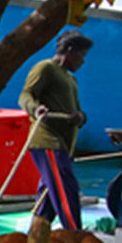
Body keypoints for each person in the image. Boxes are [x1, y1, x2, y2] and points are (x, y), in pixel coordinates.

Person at [19, 30, 92, 232]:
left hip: (64, 144)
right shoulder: (46, 68)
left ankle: (36, 234)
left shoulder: (71, 79)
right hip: (48, 141)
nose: (83, 61)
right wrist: (36, 109)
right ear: (69, 51)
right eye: (82, 55)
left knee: (49, 196)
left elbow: (78, 110)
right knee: (66, 188)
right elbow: (26, 95)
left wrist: (80, 117)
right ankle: (75, 233)